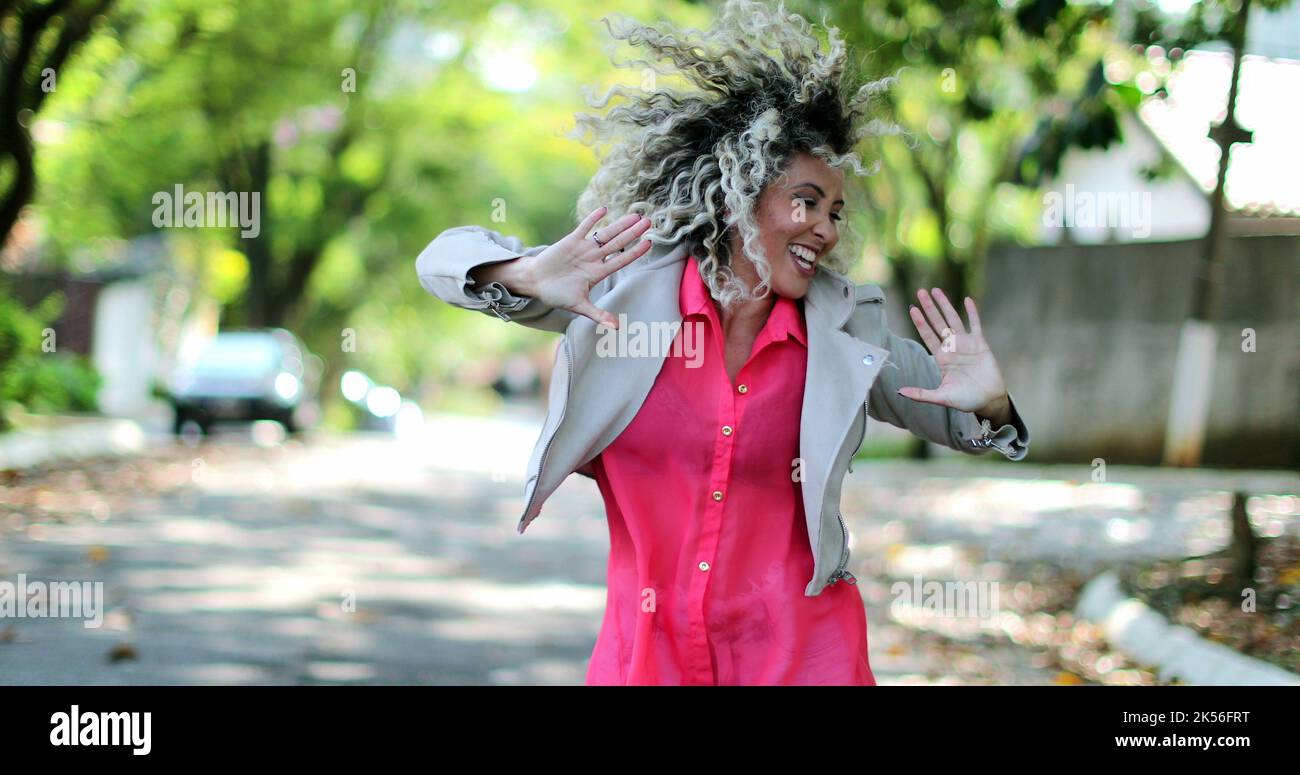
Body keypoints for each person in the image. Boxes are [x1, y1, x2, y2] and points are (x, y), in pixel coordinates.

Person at [415, 0, 1030, 685]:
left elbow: (963, 418)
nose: (825, 228)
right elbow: (441, 260)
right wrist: (527, 274)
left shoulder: (843, 328)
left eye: (834, 210)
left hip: (803, 655)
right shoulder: (622, 294)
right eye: (805, 201)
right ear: (740, 193)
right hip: (649, 654)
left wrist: (994, 406)